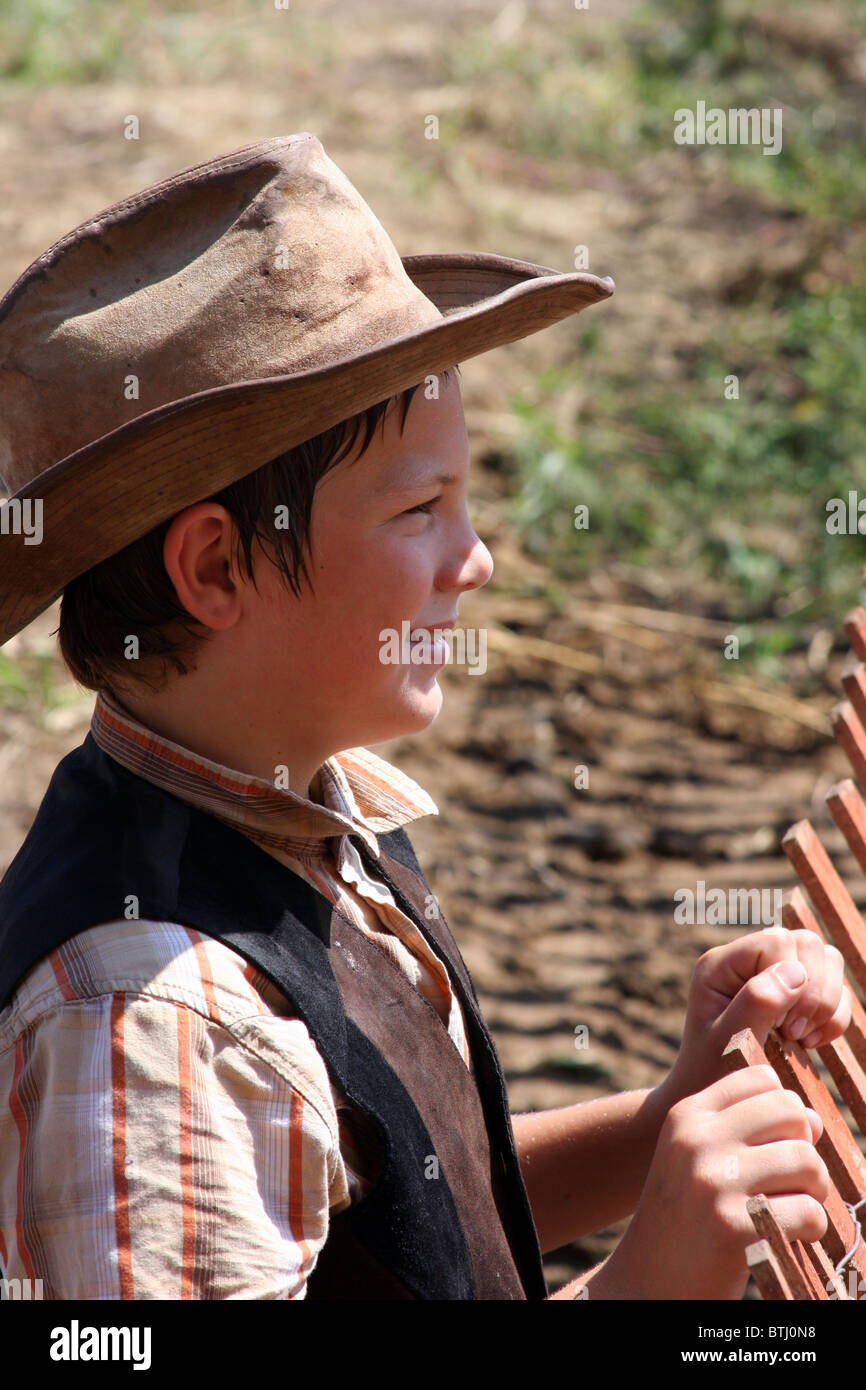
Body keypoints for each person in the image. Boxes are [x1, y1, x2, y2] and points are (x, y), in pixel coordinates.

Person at [0, 133, 850, 1300]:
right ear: (215, 568)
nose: (478, 559)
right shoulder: (148, 1022)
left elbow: (414, 1219)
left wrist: (665, 1123)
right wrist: (640, 1284)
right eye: (420, 510)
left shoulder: (301, 812)